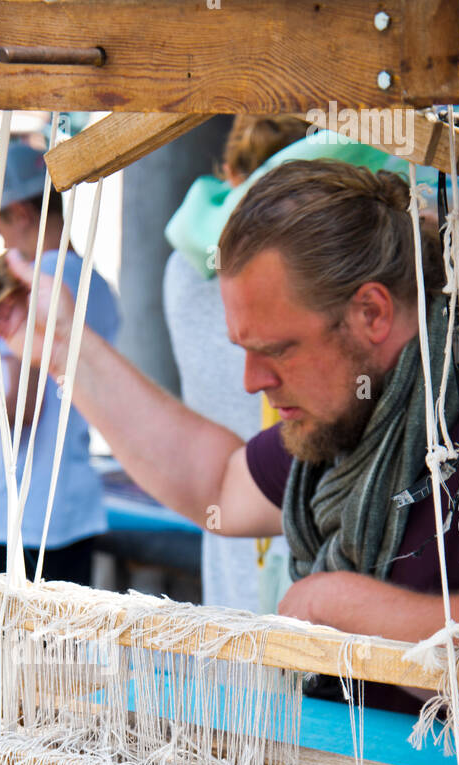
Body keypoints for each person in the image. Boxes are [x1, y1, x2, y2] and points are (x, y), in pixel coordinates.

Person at [0, 159, 459, 714]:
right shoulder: (350, 414)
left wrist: (333, 603)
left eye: (277, 350)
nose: (252, 382)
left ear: (371, 313)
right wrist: (65, 346)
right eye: (245, 350)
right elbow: (219, 485)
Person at [163, 116, 308, 612]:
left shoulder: (183, 264)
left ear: (227, 169)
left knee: (238, 674)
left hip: (226, 504)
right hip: (297, 504)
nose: (255, 376)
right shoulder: (294, 264)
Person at [0, 141, 120, 585]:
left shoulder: (32, 286)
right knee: (63, 655)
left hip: (25, 510)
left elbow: (20, 410)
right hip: (72, 504)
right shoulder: (96, 283)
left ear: (19, 213)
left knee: (11, 655)